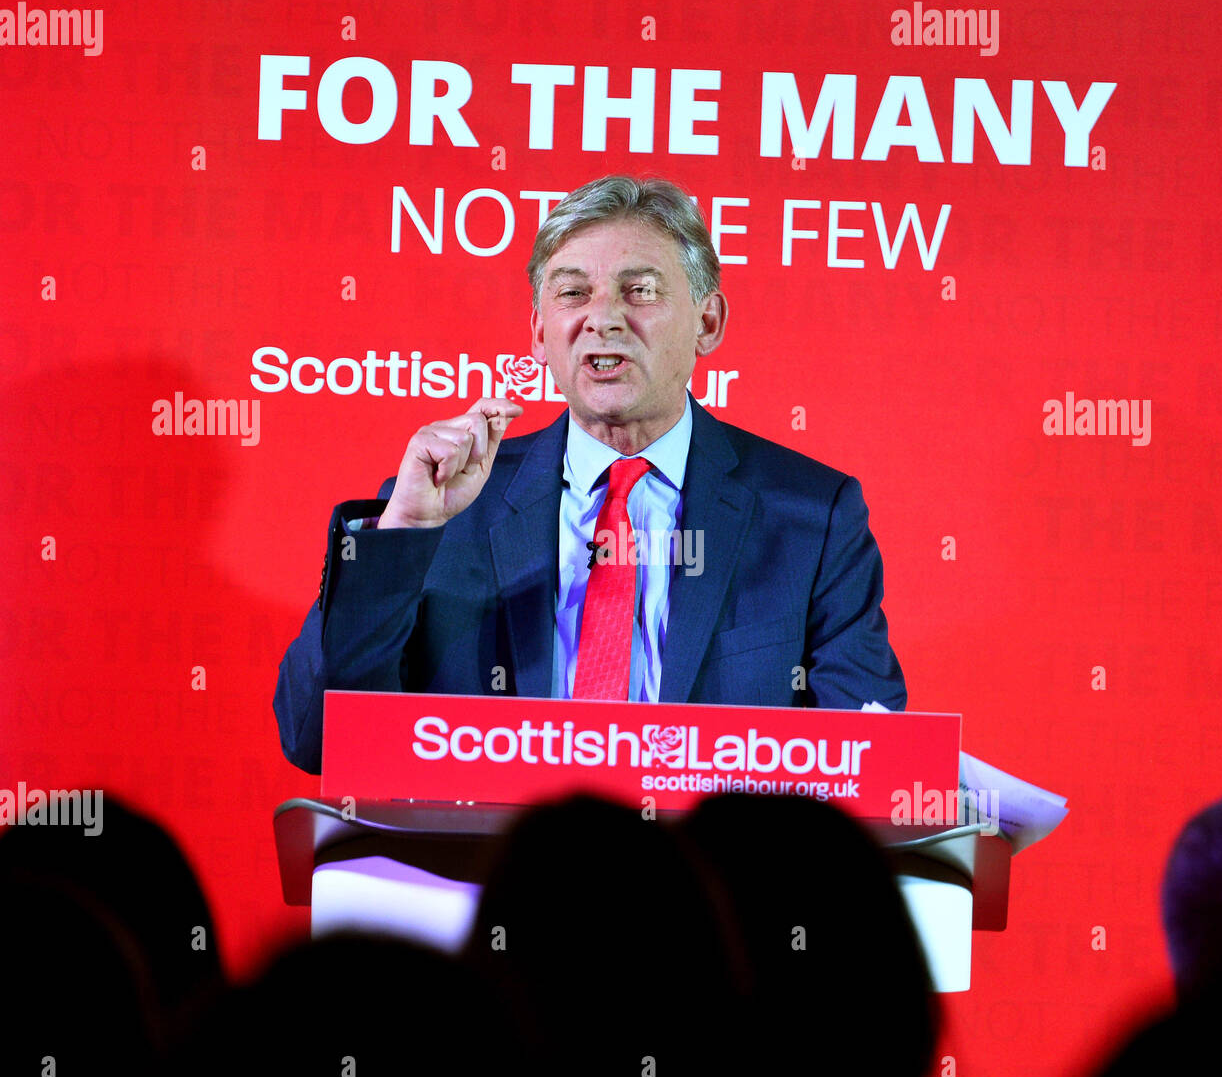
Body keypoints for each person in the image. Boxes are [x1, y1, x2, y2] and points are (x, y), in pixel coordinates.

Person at [275, 175, 906, 773]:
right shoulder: (442, 509)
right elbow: (319, 738)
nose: (601, 318)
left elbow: (866, 757)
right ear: (539, 332)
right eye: (573, 292)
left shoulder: (812, 516)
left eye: (641, 291)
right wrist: (404, 530)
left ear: (708, 323)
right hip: (496, 876)